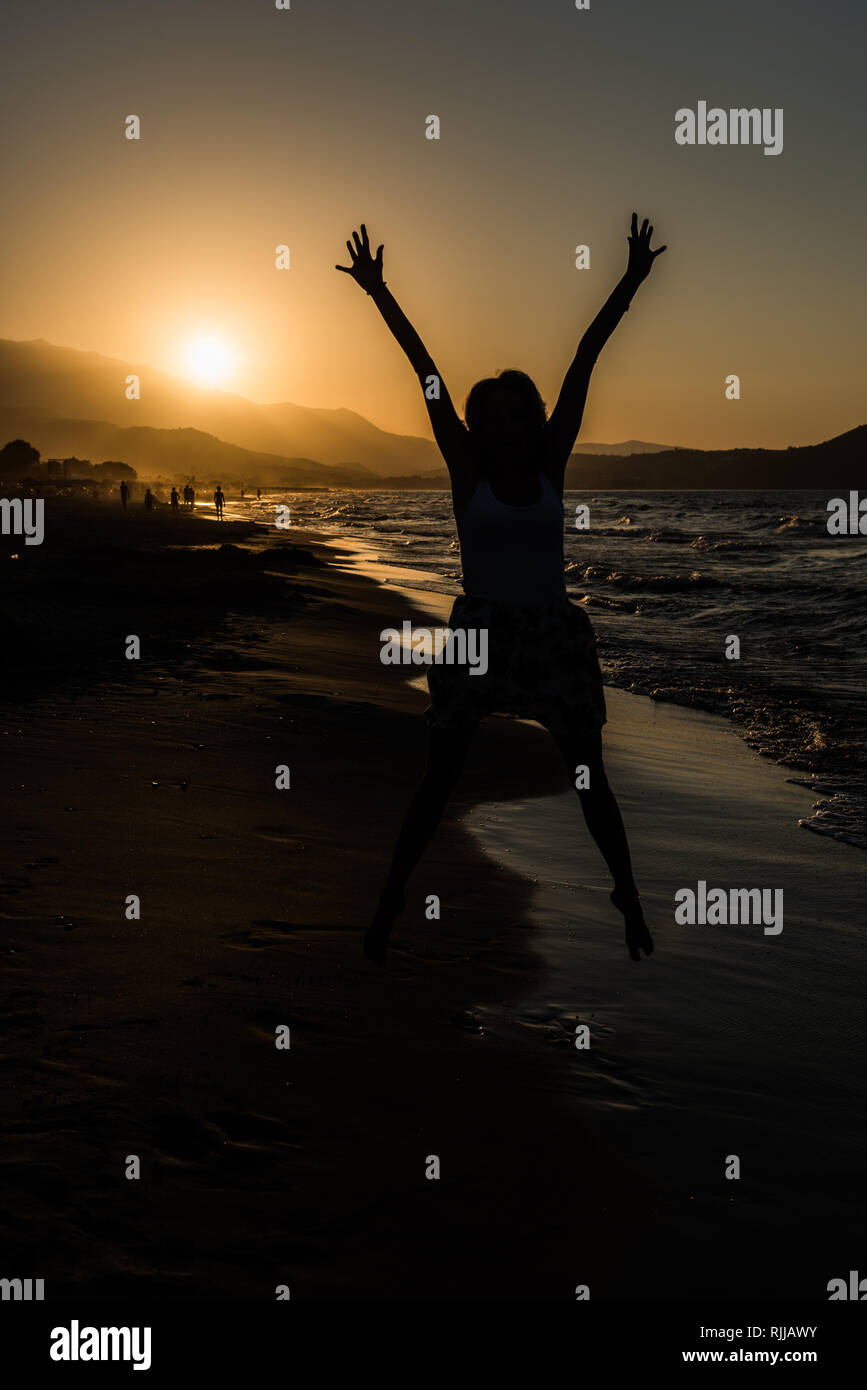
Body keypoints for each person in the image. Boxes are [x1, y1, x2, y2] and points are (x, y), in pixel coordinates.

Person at [337, 218, 666, 966]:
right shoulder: (467, 469)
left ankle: (627, 894)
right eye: (494, 419)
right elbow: (424, 371)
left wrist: (630, 281)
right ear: (479, 426)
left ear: (535, 420)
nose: (509, 428)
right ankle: (391, 899)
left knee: (589, 775)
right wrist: (379, 293)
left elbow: (584, 360)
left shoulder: (551, 465)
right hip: (480, 633)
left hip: (552, 634)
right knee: (439, 779)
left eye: (520, 416)